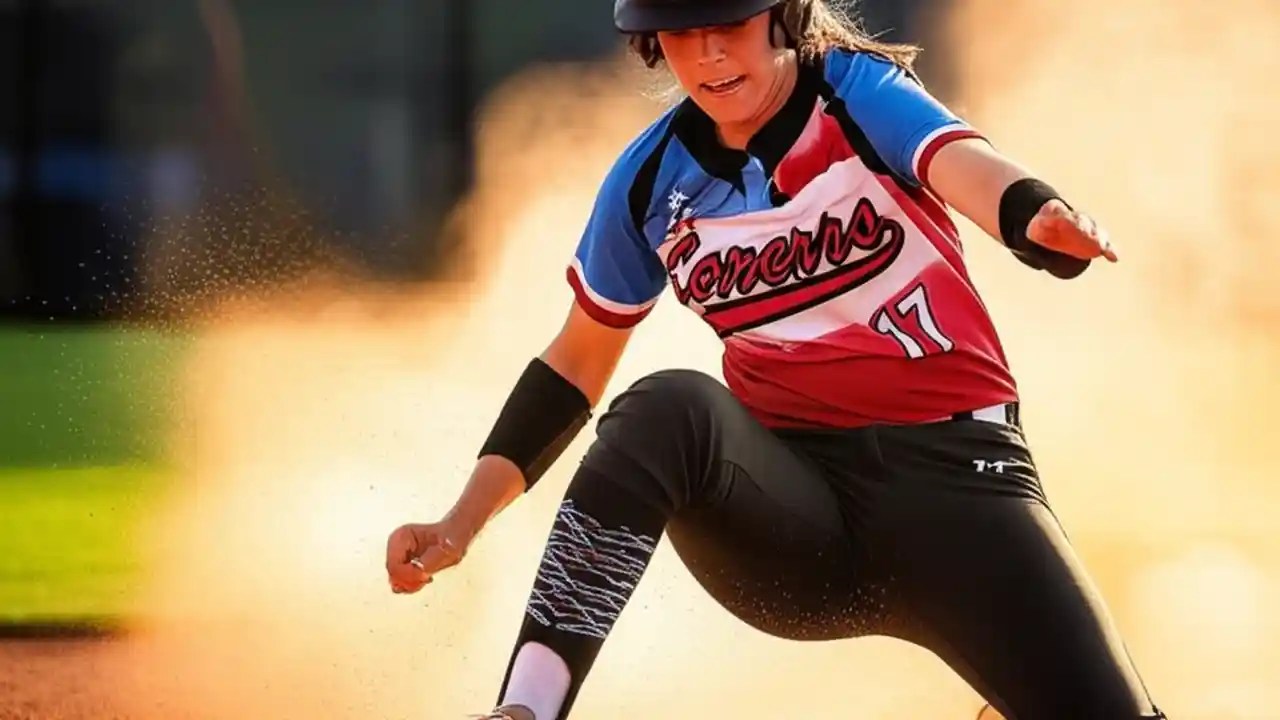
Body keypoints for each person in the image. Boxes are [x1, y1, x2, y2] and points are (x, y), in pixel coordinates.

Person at [384, 1, 1168, 718]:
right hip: (793, 524)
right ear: (652, 40)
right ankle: (529, 705)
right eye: (683, 30)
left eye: (729, 20)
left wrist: (1038, 218)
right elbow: (573, 367)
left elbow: (962, 165)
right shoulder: (650, 181)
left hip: (959, 487)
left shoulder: (854, 92)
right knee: (667, 407)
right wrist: (460, 522)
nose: (711, 52)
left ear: (783, 15)